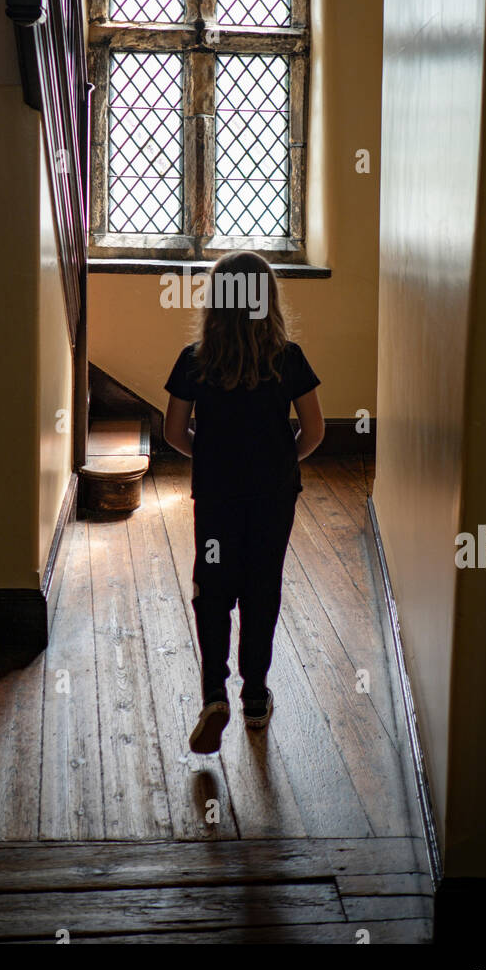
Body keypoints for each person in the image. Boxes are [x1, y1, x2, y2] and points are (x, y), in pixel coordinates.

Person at [163, 251, 325, 755]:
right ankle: (255, 696)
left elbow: (172, 431)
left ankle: (215, 692)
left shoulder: (195, 361)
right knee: (261, 589)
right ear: (267, 301)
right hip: (273, 497)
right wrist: (284, 463)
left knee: (212, 588)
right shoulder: (288, 358)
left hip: (216, 496)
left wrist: (207, 456)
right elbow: (315, 431)